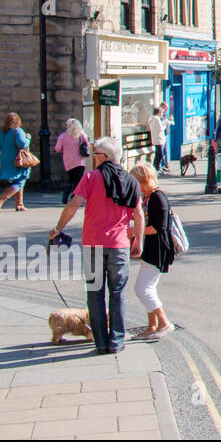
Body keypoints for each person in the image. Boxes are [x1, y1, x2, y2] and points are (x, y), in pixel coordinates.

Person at [48, 137, 143, 354]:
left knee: (95, 293)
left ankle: (100, 342)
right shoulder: (130, 180)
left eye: (96, 154)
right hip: (119, 246)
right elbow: (138, 214)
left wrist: (58, 228)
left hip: (93, 245)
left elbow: (73, 205)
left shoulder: (90, 177)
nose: (93, 157)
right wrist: (138, 240)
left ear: (106, 156)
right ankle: (117, 341)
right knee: (118, 293)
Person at [128, 162, 175, 340]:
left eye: (136, 182)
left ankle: (164, 323)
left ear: (144, 180)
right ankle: (152, 326)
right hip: (153, 247)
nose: (135, 187)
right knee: (148, 288)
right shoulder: (151, 197)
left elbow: (158, 227)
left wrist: (134, 231)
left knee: (142, 288)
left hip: (158, 248)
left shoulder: (157, 198)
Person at [0, 112, 33, 212]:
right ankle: (1, 199)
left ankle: (19, 204)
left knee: (17, 181)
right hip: (18, 160)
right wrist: (28, 138)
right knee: (20, 181)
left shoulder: (2, 132)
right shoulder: (18, 131)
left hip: (6, 160)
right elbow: (23, 144)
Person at [55, 118, 91, 204]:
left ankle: (66, 195)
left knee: (71, 179)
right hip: (80, 161)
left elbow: (57, 149)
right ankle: (74, 196)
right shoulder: (82, 136)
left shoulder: (62, 136)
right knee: (78, 180)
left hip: (68, 161)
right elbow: (87, 146)